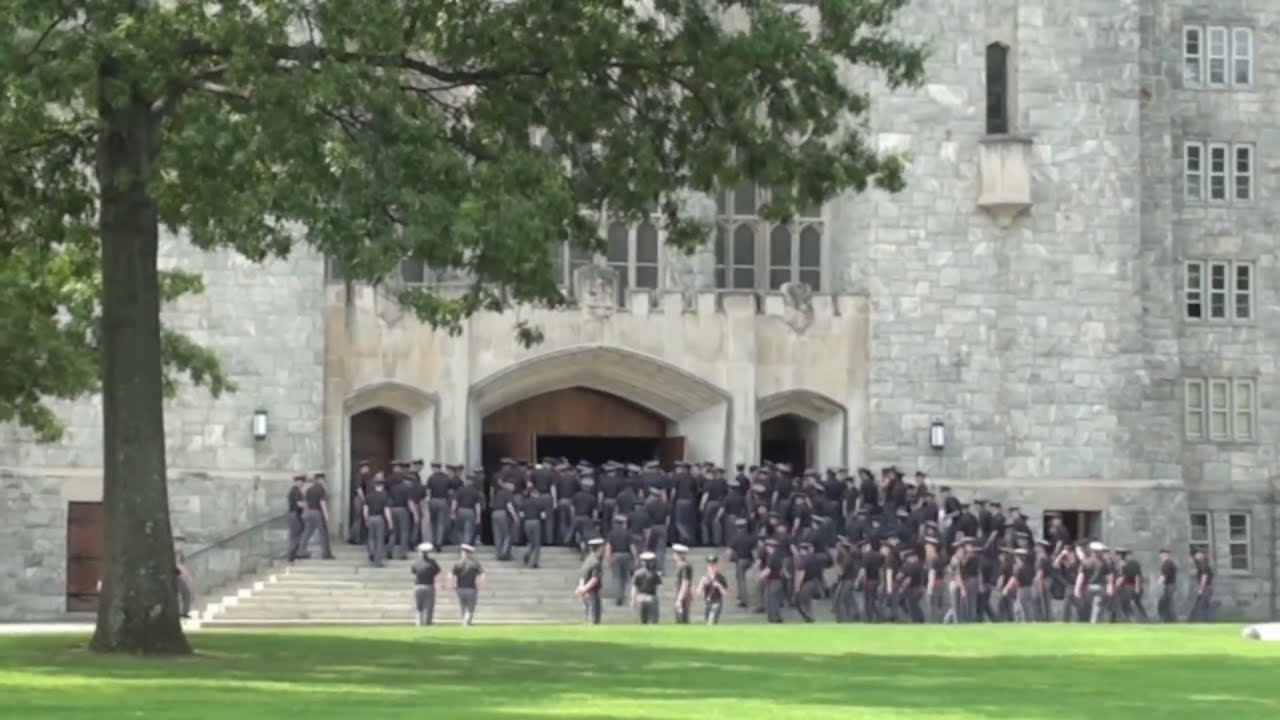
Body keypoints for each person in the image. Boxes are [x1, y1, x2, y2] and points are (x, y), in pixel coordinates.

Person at [452, 544, 485, 626]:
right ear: (470, 553)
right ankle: (467, 621)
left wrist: (454, 584)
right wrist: (480, 584)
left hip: (460, 588)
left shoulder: (458, 563)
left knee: (463, 606)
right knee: (470, 607)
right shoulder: (475, 563)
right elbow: (482, 574)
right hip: (471, 588)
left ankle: (465, 620)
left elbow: (453, 575)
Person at [576, 538, 606, 624]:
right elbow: (594, 579)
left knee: (589, 613)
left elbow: (582, 576)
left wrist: (581, 588)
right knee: (594, 616)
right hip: (592, 591)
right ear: (600, 548)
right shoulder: (596, 562)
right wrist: (584, 589)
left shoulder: (588, 559)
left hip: (586, 591)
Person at [410, 543, 441, 626]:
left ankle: (418, 622)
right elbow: (437, 571)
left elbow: (413, 571)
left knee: (419, 606)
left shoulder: (416, 562)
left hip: (418, 585)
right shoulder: (432, 562)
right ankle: (427, 622)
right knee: (428, 606)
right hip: (429, 585)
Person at [632, 551, 662, 624]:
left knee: (643, 620)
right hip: (651, 597)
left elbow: (635, 588)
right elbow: (659, 586)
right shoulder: (655, 574)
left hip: (641, 597)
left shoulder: (637, 573)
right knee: (654, 619)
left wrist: (633, 600)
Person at [699, 555, 729, 625]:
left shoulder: (720, 577)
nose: (711, 567)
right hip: (708, 602)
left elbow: (725, 593)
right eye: (710, 565)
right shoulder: (705, 577)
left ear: (716, 566)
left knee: (711, 621)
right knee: (708, 621)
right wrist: (702, 583)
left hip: (717, 602)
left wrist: (719, 585)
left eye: (713, 565)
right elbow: (698, 592)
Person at [286, 474, 306, 562]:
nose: (302, 484)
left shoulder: (292, 490)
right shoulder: (296, 491)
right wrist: (310, 505)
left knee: (294, 534)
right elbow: (299, 504)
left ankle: (293, 553)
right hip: (295, 514)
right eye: (301, 482)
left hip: (293, 514)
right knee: (297, 534)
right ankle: (293, 554)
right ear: (298, 482)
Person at [672, 544, 693, 624]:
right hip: (684, 594)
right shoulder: (683, 565)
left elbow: (685, 583)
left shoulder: (684, 566)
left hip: (683, 595)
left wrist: (679, 599)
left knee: (681, 619)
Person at [1156, 548, 1177, 622]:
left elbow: (1164, 575)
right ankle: (1168, 619)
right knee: (1168, 603)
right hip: (1170, 585)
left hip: (1169, 586)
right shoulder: (1170, 563)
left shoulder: (1167, 563)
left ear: (1164, 555)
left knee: (1163, 603)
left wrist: (1159, 582)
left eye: (1161, 555)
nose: (1160, 557)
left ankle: (1168, 619)